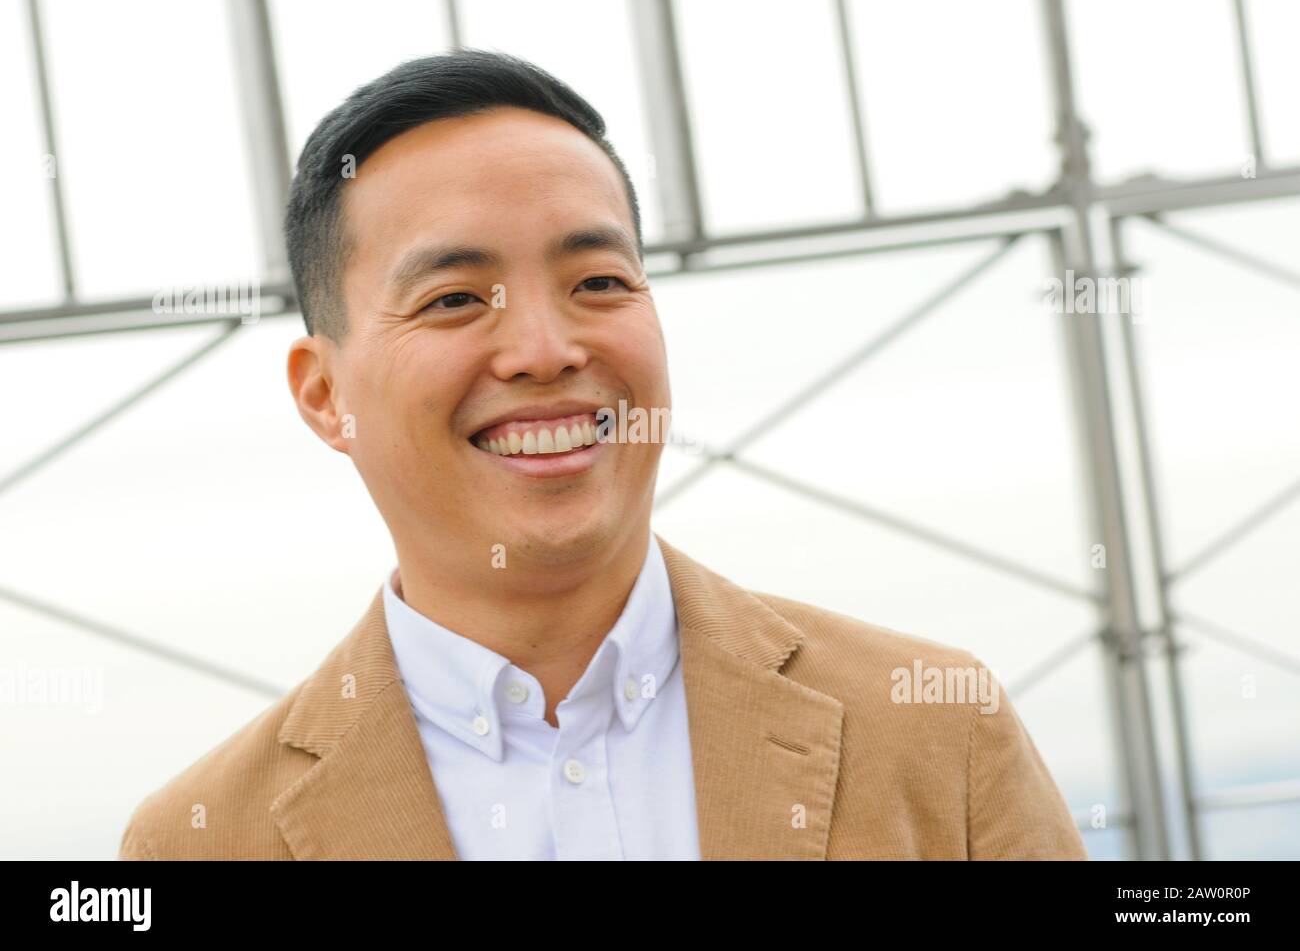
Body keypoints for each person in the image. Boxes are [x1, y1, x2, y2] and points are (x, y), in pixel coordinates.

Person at [119, 50, 1086, 860]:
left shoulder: (933, 730)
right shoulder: (202, 840)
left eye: (598, 281)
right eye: (456, 298)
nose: (545, 349)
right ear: (325, 395)